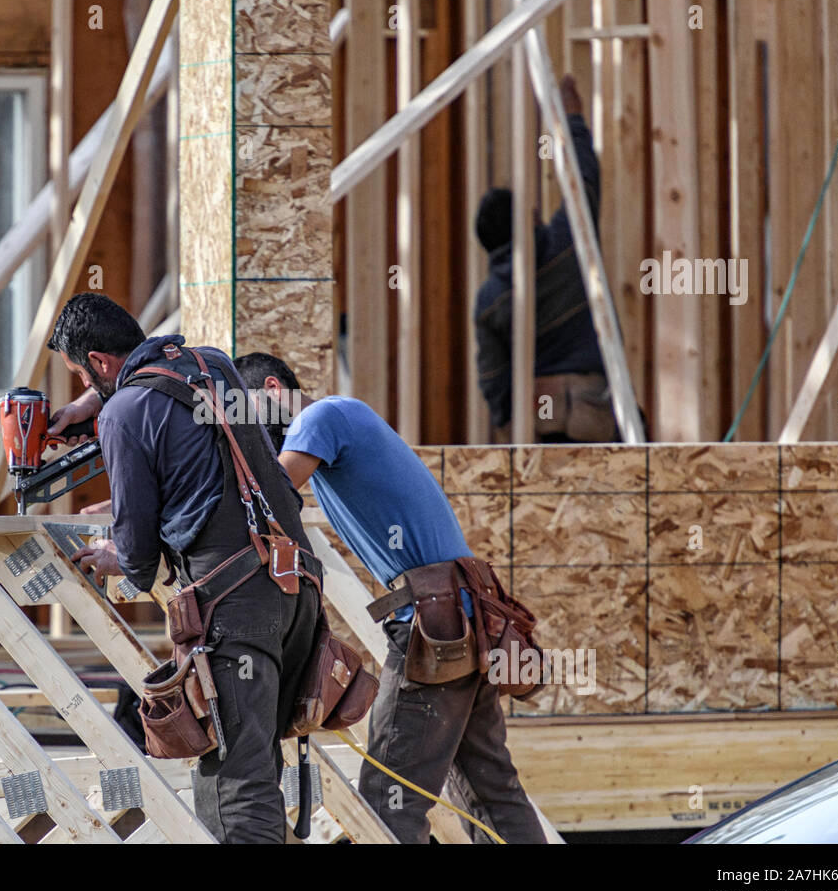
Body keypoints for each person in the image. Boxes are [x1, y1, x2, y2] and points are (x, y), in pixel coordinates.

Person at [233, 351, 546, 844]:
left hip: (436, 624)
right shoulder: (343, 422)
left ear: (273, 391)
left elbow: (265, 496)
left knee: (388, 794)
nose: (248, 436)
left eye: (247, 417)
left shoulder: (322, 417)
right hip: (463, 617)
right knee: (491, 787)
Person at [44, 293, 321, 843]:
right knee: (258, 759)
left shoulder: (122, 414)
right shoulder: (212, 363)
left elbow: (141, 560)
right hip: (295, 588)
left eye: (82, 375)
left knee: (234, 785)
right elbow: (174, 412)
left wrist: (115, 553)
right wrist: (92, 405)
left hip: (233, 606)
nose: (83, 389)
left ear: (100, 363)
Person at [473, 74, 618, 443]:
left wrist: (509, 429)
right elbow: (582, 179)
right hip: (592, 407)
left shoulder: (491, 299)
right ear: (528, 219)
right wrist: (571, 119)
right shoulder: (565, 243)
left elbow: (492, 378)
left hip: (540, 417)